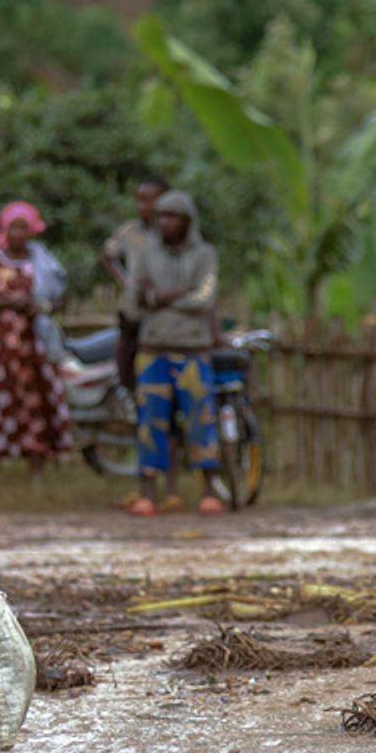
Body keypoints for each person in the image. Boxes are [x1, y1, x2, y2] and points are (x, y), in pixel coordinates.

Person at [127, 190, 223, 518]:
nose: (166, 223)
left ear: (187, 221)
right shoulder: (146, 254)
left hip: (194, 350)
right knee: (150, 420)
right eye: (161, 217)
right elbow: (136, 298)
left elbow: (205, 300)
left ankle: (209, 490)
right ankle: (147, 493)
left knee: (200, 419)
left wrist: (160, 297)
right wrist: (177, 294)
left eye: (173, 217)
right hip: (154, 348)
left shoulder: (205, 254)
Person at [0, 202, 73, 467]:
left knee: (34, 400)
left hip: (32, 344)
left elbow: (59, 300)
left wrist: (40, 307)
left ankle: (37, 461)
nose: (19, 234)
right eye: (14, 227)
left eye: (25, 227)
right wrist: (11, 303)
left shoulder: (42, 263)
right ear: (5, 228)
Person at [103, 176, 168, 385]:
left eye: (150, 200)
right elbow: (108, 255)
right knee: (129, 371)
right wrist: (125, 280)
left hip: (166, 319)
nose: (144, 206)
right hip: (135, 317)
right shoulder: (130, 232)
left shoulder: (174, 233)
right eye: (140, 200)